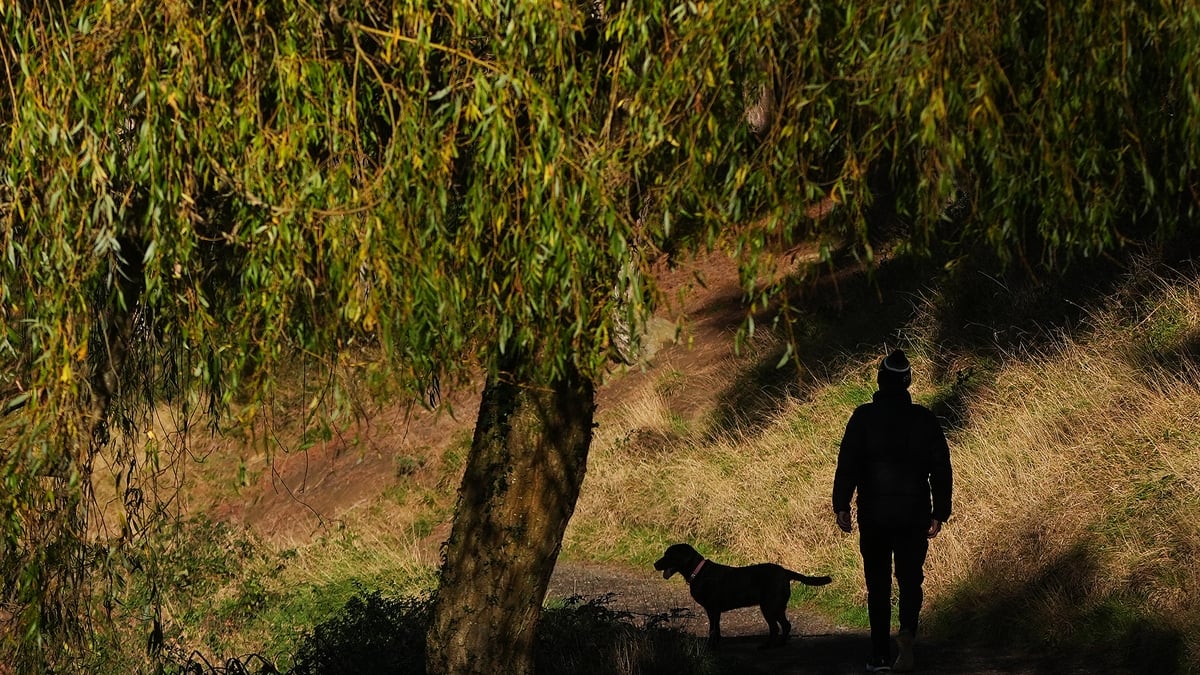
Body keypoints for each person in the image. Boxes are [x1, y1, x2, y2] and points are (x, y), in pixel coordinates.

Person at [833, 349, 953, 673]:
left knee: (879, 584)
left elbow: (848, 464)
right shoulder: (924, 420)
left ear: (880, 381)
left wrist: (841, 504)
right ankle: (907, 634)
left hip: (874, 514)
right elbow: (941, 467)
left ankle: (879, 655)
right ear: (908, 382)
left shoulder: (863, 418)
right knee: (910, 579)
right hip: (914, 512)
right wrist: (940, 512)